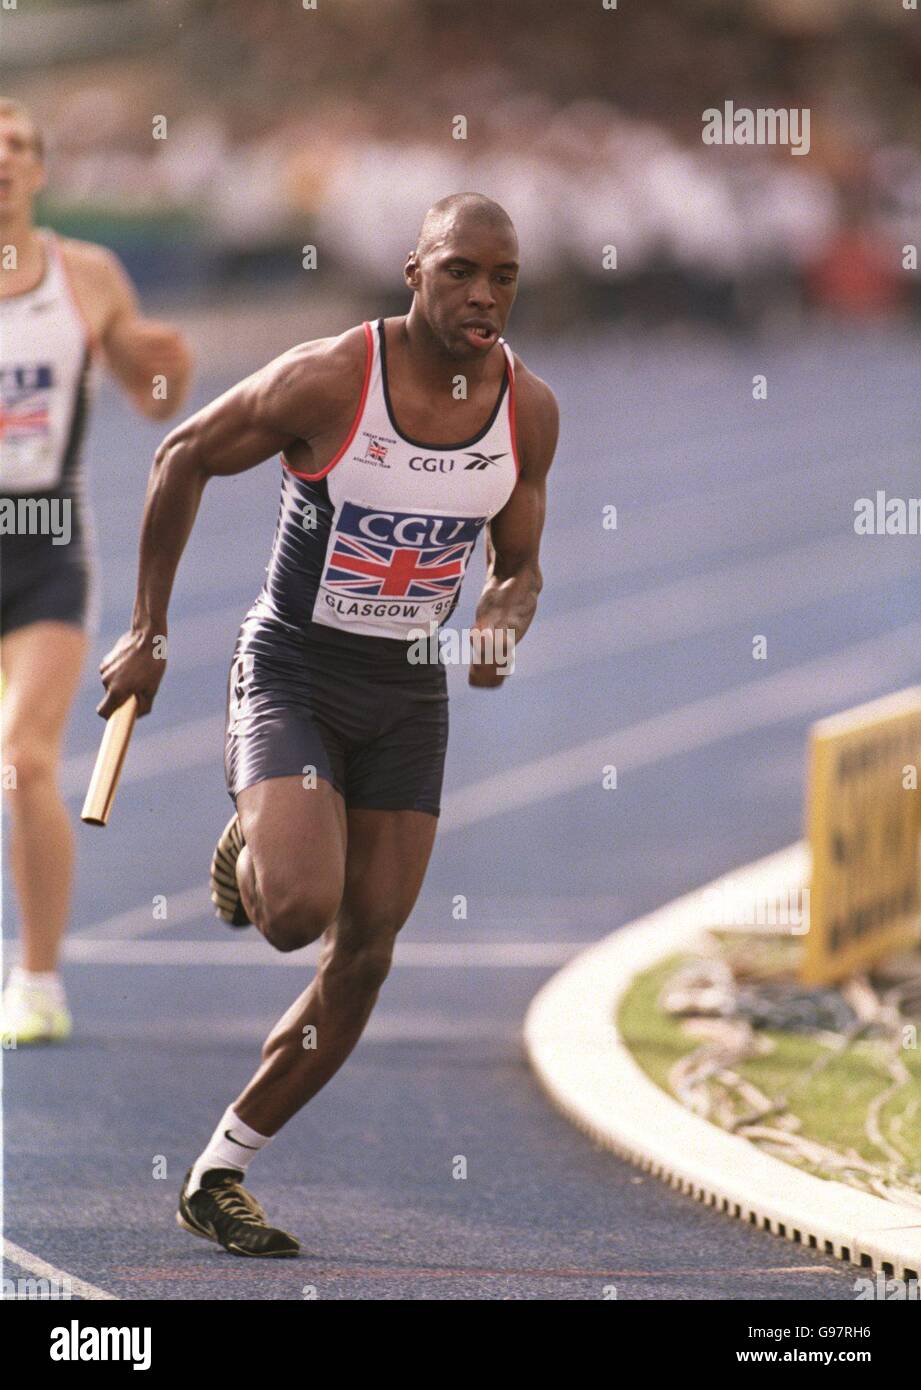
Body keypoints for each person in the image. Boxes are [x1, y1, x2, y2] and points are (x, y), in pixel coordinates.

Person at [99, 192, 559, 1257]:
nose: (483, 295)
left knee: (366, 953)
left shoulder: (528, 410)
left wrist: (502, 616)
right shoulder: (333, 376)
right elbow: (182, 454)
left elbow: (521, 560)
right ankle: (265, 832)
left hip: (407, 694)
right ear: (412, 271)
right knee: (296, 912)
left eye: (503, 277)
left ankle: (220, 1167)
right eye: (459, 272)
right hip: (295, 669)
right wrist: (149, 631)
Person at [0, 98, 193, 1045]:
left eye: (18, 145)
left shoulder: (86, 276)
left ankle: (37, 980)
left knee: (26, 760)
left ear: (40, 170)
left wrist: (167, 369)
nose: (1, 159)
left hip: (40, 544)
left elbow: (152, 399)